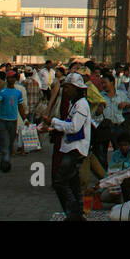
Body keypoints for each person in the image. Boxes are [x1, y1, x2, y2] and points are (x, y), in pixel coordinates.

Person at [45, 72, 92, 221]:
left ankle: (72, 213)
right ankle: (78, 213)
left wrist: (53, 122)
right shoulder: (75, 103)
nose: (65, 91)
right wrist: (53, 127)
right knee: (73, 183)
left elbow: (74, 127)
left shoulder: (82, 105)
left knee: (60, 182)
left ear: (76, 88)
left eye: (68, 88)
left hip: (75, 148)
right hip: (70, 146)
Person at [0, 73, 26, 172]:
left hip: (13, 120)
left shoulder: (18, 92)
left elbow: (20, 107)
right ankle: (6, 163)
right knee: (6, 142)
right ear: (7, 79)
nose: (11, 79)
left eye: (13, 77)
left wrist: (25, 119)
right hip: (3, 120)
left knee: (10, 143)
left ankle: (4, 161)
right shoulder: (2, 92)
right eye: (9, 77)